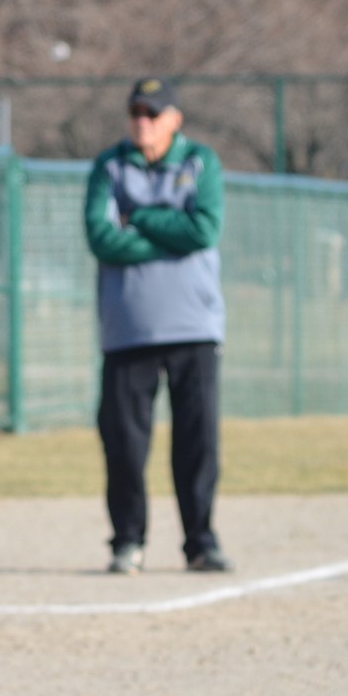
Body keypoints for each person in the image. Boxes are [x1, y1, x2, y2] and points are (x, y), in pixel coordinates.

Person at [83, 76, 233, 576]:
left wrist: (140, 216)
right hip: (129, 328)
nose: (142, 122)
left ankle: (199, 541)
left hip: (194, 325)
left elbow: (203, 229)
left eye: (152, 113)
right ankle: (128, 540)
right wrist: (172, 232)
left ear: (174, 119)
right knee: (124, 444)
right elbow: (102, 237)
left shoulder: (199, 162)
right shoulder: (109, 165)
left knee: (197, 442)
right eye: (135, 113)